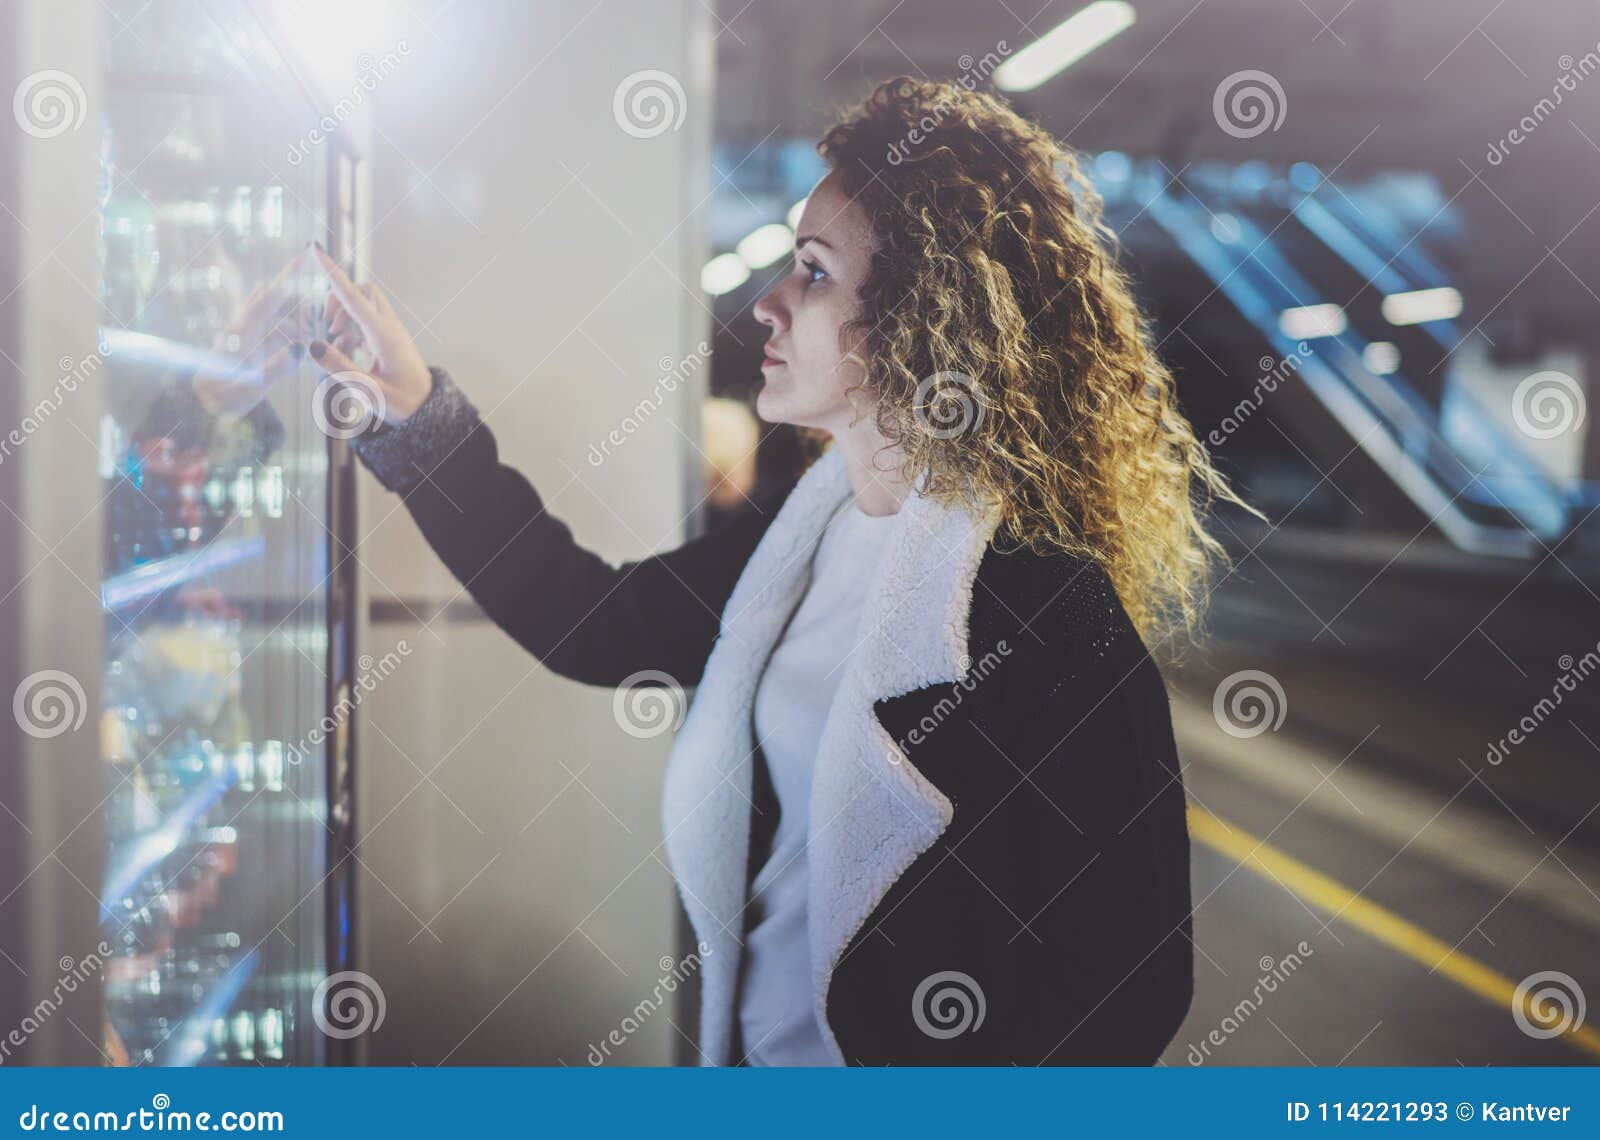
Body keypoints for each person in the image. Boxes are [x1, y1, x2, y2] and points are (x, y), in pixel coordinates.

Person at [310, 76, 1260, 1066]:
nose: (766, 304)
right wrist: (420, 421)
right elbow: (583, 620)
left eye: (810, 272)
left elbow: (1132, 981)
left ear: (922, 314)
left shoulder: (1045, 605)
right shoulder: (792, 544)